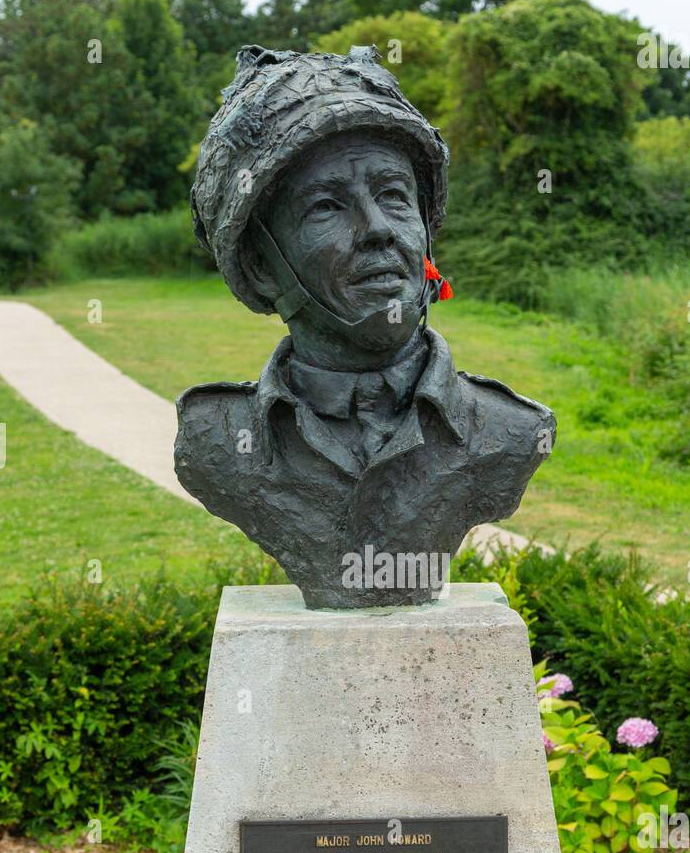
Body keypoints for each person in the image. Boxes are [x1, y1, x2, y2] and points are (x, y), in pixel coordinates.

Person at [176, 44, 555, 608]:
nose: (378, 230)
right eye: (327, 206)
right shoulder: (214, 440)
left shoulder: (510, 431)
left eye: (393, 196)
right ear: (260, 267)